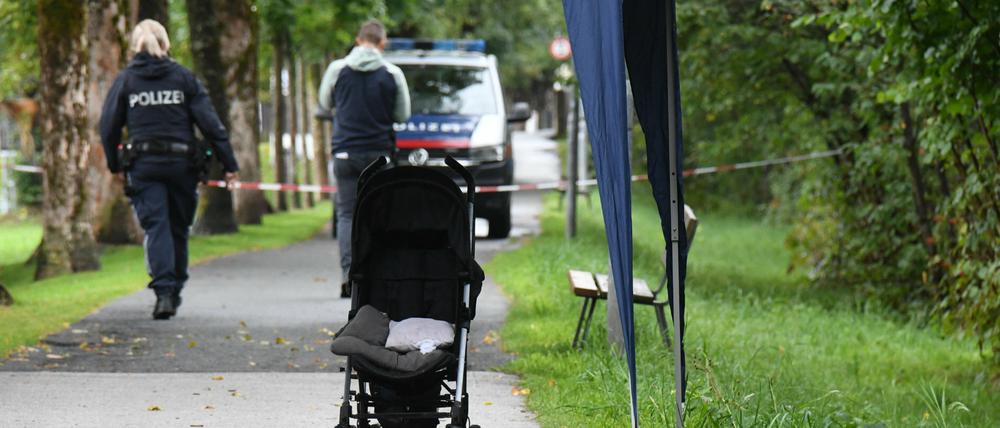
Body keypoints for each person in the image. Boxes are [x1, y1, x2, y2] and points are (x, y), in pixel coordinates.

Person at [99, 20, 239, 320]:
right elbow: (211, 124)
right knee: (178, 227)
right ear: (165, 44)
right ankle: (174, 289)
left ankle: (164, 292)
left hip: (144, 166)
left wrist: (115, 165)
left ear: (134, 46)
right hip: (182, 166)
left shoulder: (126, 81)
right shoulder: (183, 78)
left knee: (157, 227)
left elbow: (108, 127)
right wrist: (229, 165)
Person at [318, 19, 410, 298]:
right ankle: (375, 277)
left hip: (345, 153)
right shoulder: (392, 73)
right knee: (379, 215)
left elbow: (325, 103)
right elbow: (402, 114)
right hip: (380, 155)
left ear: (358, 40)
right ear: (383, 43)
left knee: (347, 214)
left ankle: (348, 275)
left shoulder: (337, 69)